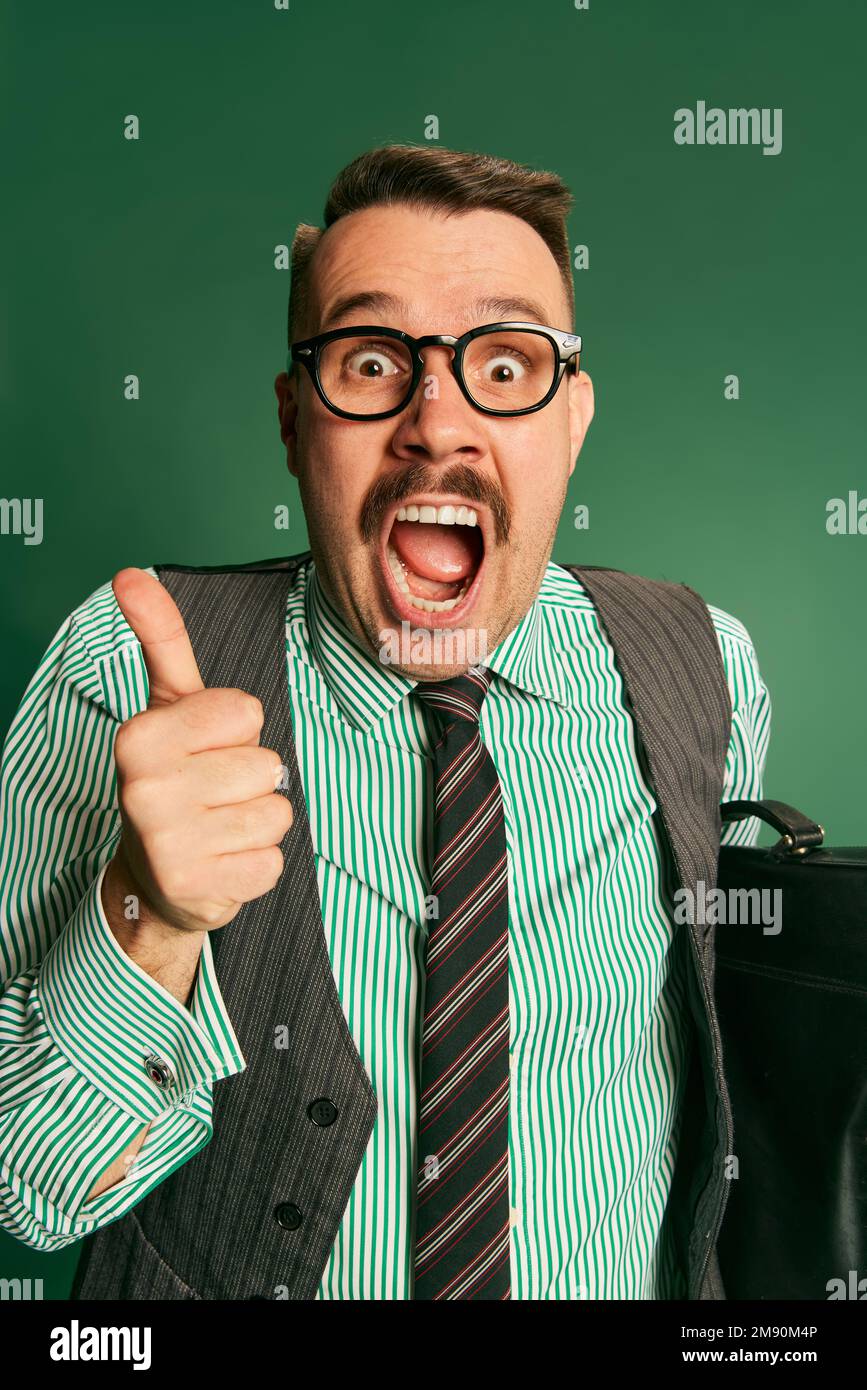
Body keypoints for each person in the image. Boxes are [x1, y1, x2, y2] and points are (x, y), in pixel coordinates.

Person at [0, 143, 770, 1300]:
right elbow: (34, 1195)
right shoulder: (123, 671)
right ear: (293, 418)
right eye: (370, 361)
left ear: (574, 420)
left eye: (505, 367)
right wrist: (146, 917)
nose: (436, 422)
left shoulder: (705, 668)